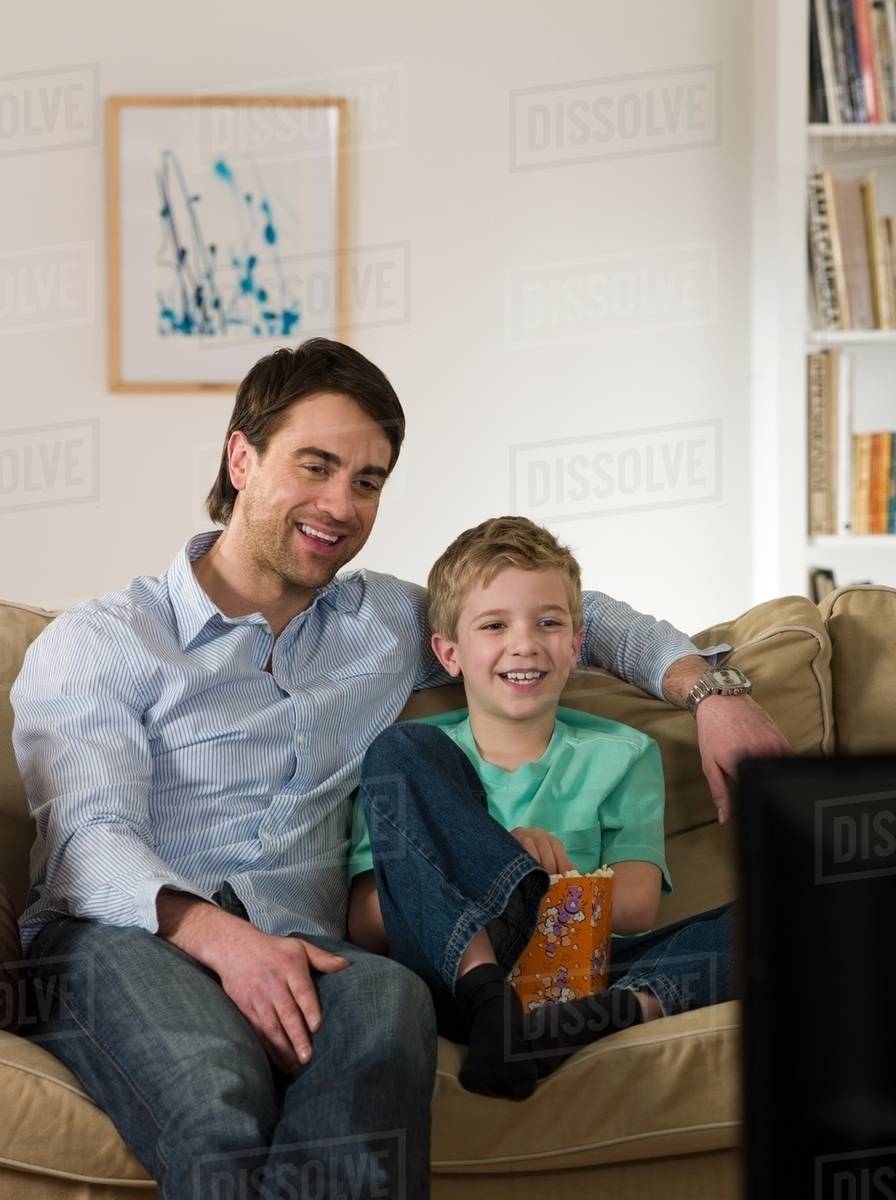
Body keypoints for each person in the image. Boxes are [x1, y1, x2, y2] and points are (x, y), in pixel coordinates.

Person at [11, 339, 789, 1198]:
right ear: (242, 457)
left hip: (314, 945)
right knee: (216, 1099)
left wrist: (711, 691)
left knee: (390, 1006)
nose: (341, 505)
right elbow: (91, 844)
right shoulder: (103, 641)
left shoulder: (378, 623)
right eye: (316, 466)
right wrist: (230, 945)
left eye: (369, 480)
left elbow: (561, 609)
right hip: (125, 938)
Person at [347, 515, 734, 1101]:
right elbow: (368, 922)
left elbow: (635, 904)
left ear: (576, 647)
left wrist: (551, 887)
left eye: (548, 622)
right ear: (449, 653)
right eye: (494, 624)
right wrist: (499, 872)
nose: (524, 642)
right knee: (399, 747)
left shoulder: (624, 753)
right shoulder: (416, 755)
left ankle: (619, 1012)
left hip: (582, 982)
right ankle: (490, 1005)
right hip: (453, 981)